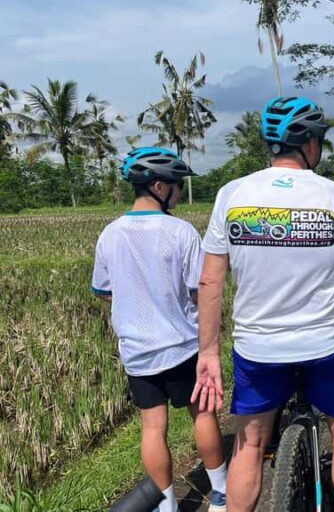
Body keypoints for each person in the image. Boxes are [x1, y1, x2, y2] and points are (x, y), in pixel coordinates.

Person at [192, 96, 334, 512]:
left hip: (258, 347)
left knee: (251, 442)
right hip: (326, 342)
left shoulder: (232, 193)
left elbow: (210, 280)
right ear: (310, 144)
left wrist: (208, 351)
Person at [91, 148, 228, 512]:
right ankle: (220, 494)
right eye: (176, 185)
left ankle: (165, 505)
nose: (179, 192)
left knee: (153, 427)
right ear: (157, 186)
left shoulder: (110, 234)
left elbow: (103, 290)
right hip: (183, 344)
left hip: (137, 350)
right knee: (202, 415)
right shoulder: (181, 232)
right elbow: (201, 291)